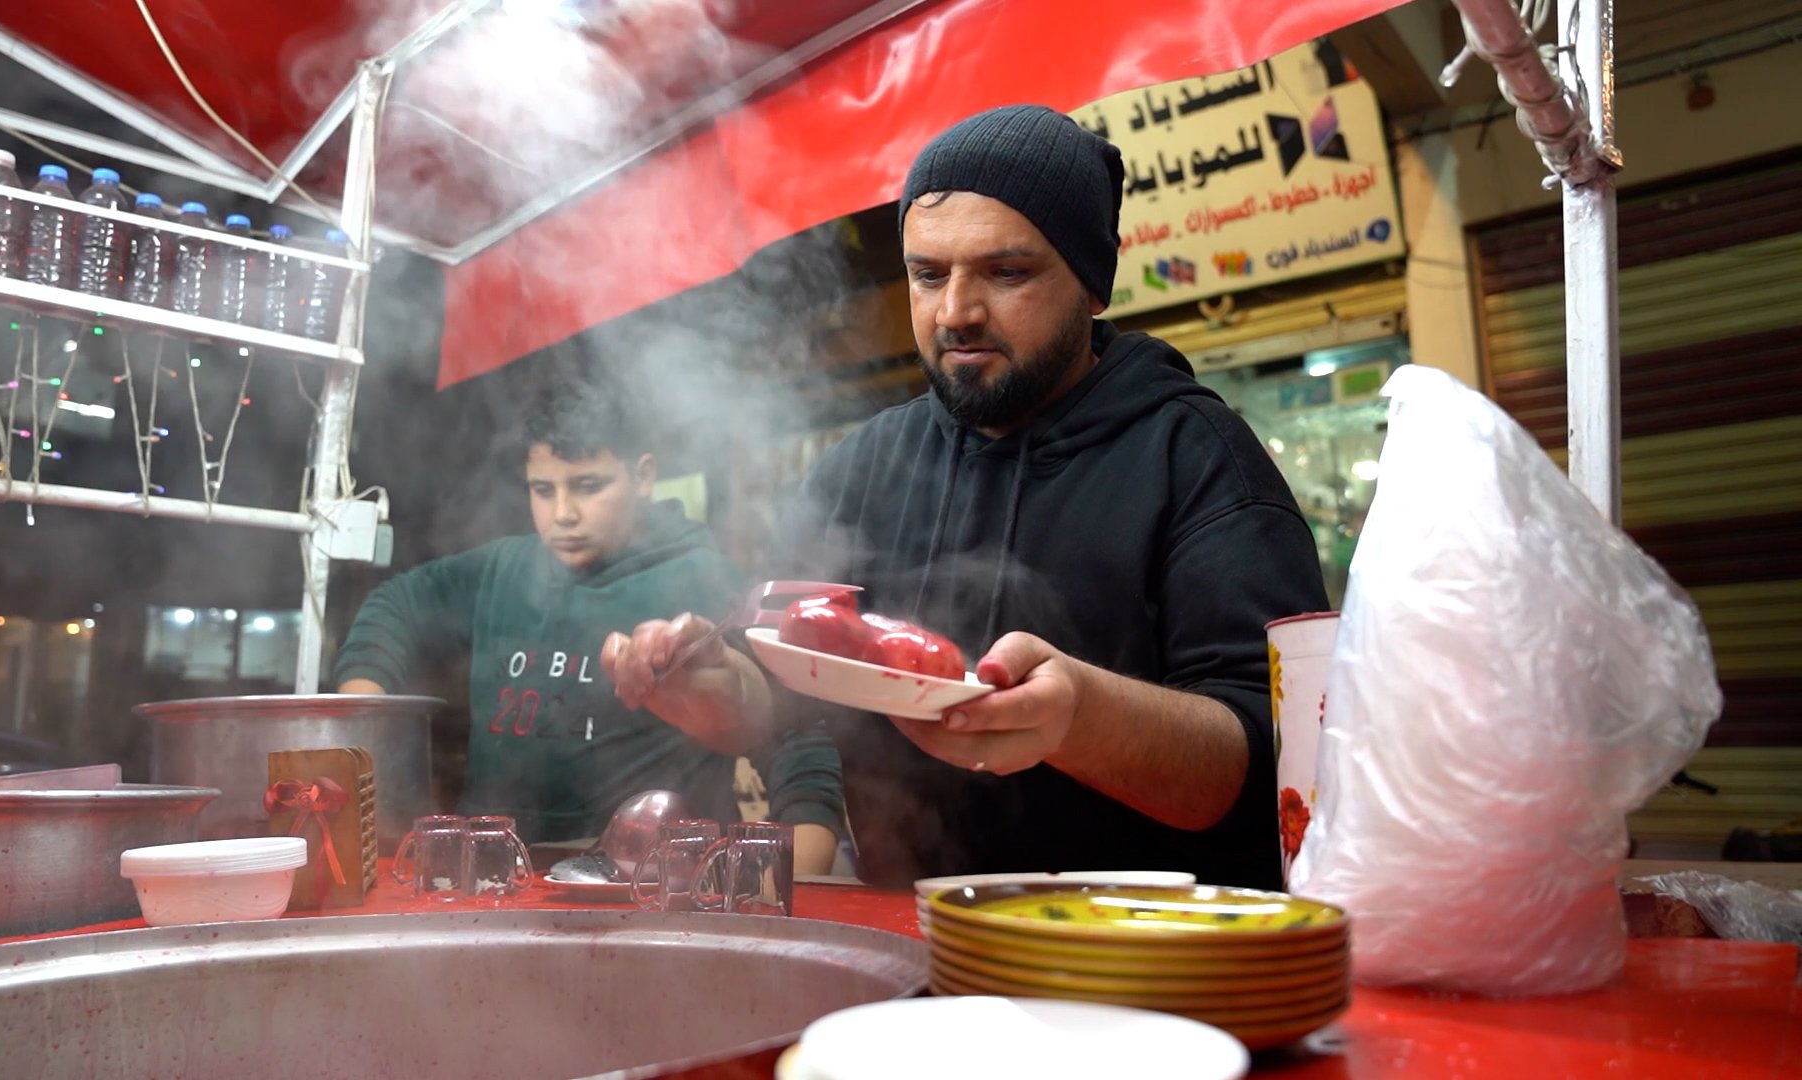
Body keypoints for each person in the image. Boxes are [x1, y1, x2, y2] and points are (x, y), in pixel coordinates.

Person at [600, 105, 1329, 889]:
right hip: (917, 953)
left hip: (1151, 968)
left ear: (1091, 285)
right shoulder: (863, 469)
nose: (955, 311)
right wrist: (714, 687)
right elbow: (779, 695)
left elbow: (1277, 767)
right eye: (928, 274)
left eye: (1006, 272)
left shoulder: (1196, 458)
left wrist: (1078, 716)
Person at [334, 387, 844, 874]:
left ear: (643, 476)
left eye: (588, 486)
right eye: (543, 490)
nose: (563, 515)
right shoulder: (502, 569)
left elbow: (795, 734)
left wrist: (799, 877)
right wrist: (360, 721)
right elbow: (397, 603)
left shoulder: (703, 581)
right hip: (490, 882)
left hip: (652, 891)